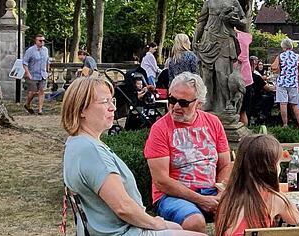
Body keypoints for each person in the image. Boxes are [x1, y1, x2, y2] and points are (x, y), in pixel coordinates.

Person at [62, 75, 205, 236]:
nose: (113, 108)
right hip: (123, 232)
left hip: (116, 229)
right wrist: (156, 223)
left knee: (179, 228)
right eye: (105, 102)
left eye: (112, 101)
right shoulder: (90, 151)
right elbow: (123, 208)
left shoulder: (75, 143)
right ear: (81, 109)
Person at [144, 72, 232, 232]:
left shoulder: (213, 122)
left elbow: (225, 165)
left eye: (183, 103)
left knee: (249, 210)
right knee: (194, 222)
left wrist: (221, 194)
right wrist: (201, 200)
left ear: (199, 103)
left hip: (212, 190)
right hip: (173, 196)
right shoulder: (160, 129)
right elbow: (161, 181)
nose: (176, 106)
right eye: (172, 100)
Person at [213, 134, 299, 236]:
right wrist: (278, 192)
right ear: (269, 168)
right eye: (278, 163)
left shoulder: (229, 195)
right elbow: (294, 219)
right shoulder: (273, 198)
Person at [270, 38, 299, 128]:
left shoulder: (281, 56)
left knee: (283, 104)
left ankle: (285, 124)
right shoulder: (297, 57)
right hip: (293, 83)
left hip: (282, 82)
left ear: (283, 47)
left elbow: (273, 66)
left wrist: (276, 69)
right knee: (295, 104)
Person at [21, 34, 51, 115]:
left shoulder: (45, 50)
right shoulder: (30, 50)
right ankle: (27, 104)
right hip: (32, 74)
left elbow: (47, 61)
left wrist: (48, 71)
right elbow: (24, 63)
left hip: (43, 74)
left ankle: (40, 110)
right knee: (33, 92)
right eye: (40, 40)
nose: (42, 42)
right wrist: (27, 73)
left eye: (43, 40)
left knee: (41, 91)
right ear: (36, 41)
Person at [235, 29, 253, 125]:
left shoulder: (230, 37)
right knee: (243, 112)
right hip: (247, 78)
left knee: (235, 110)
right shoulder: (246, 36)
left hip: (233, 78)